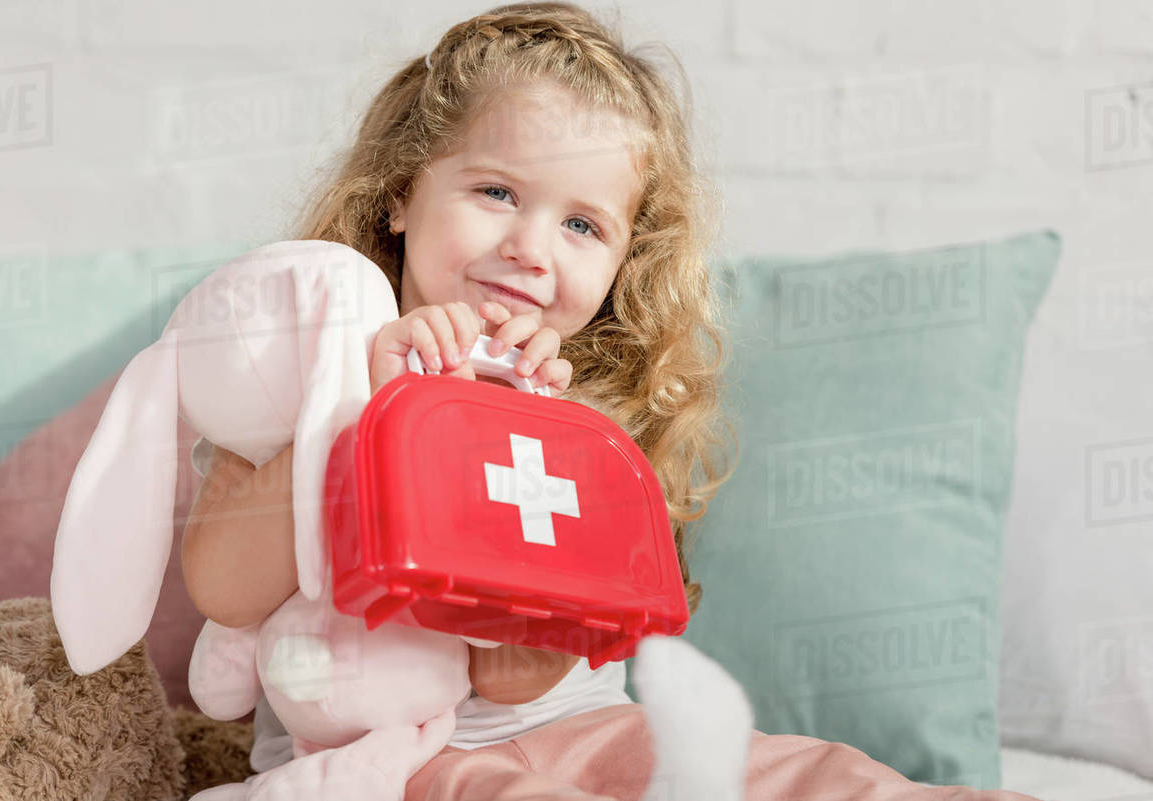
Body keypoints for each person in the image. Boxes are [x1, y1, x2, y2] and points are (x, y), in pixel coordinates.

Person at [182, 4, 1045, 800]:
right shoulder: (290, 377)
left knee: (813, 773)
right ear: (402, 192)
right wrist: (372, 405)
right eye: (497, 193)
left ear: (623, 261)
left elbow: (515, 676)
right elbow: (223, 586)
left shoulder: (581, 421)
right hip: (389, 762)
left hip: (581, 727)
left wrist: (516, 438)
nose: (530, 249)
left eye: (582, 225)